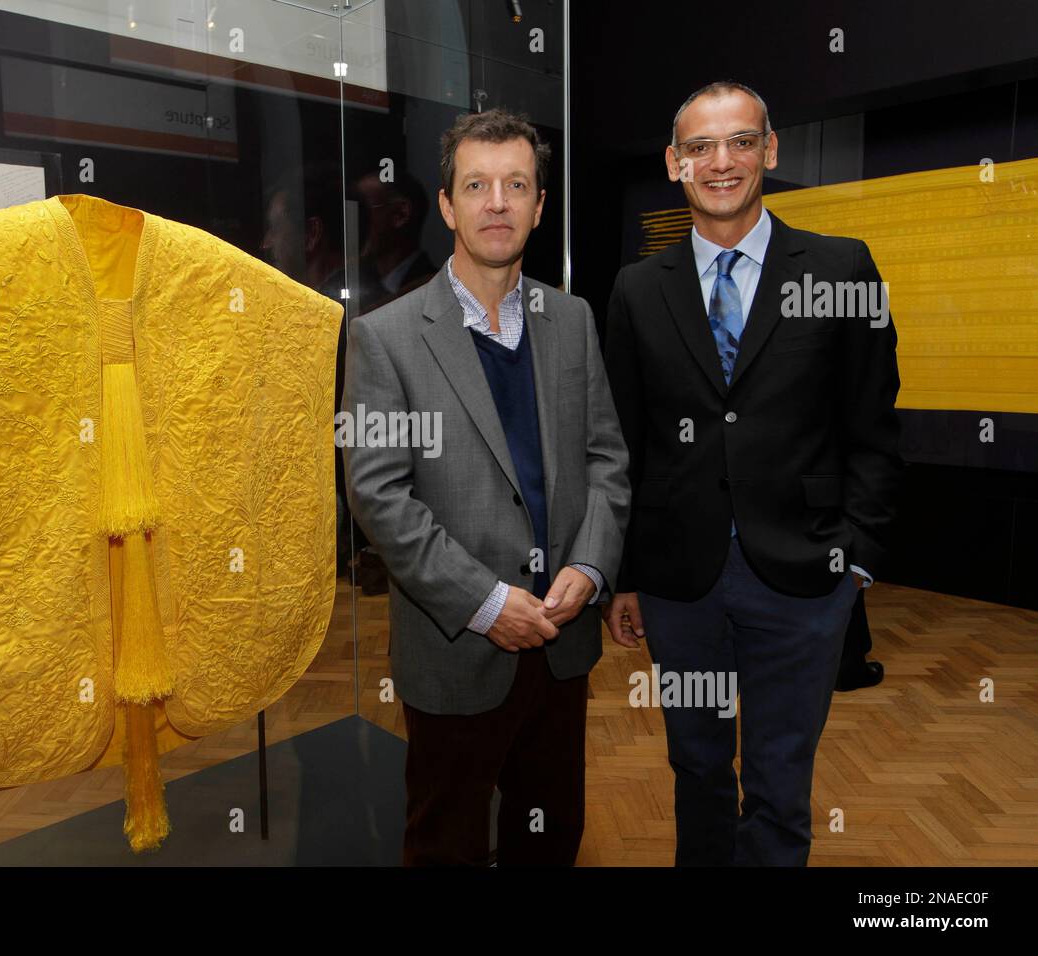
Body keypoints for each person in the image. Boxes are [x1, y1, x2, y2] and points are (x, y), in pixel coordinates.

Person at [602, 80, 902, 866]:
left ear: (769, 151)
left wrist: (857, 556)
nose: (721, 161)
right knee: (696, 767)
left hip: (805, 578)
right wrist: (624, 573)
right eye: (700, 146)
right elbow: (625, 442)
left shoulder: (840, 268)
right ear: (675, 164)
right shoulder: (638, 289)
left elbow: (873, 426)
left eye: (740, 141)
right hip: (679, 581)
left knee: (778, 779)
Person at [342, 108, 630, 866]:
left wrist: (593, 568)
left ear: (539, 206)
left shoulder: (571, 320)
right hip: (456, 647)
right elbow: (379, 496)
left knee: (551, 832)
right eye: (476, 185)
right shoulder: (386, 336)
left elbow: (607, 459)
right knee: (447, 841)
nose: (497, 201)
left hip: (562, 641)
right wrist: (486, 602)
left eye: (516, 185)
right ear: (447, 206)